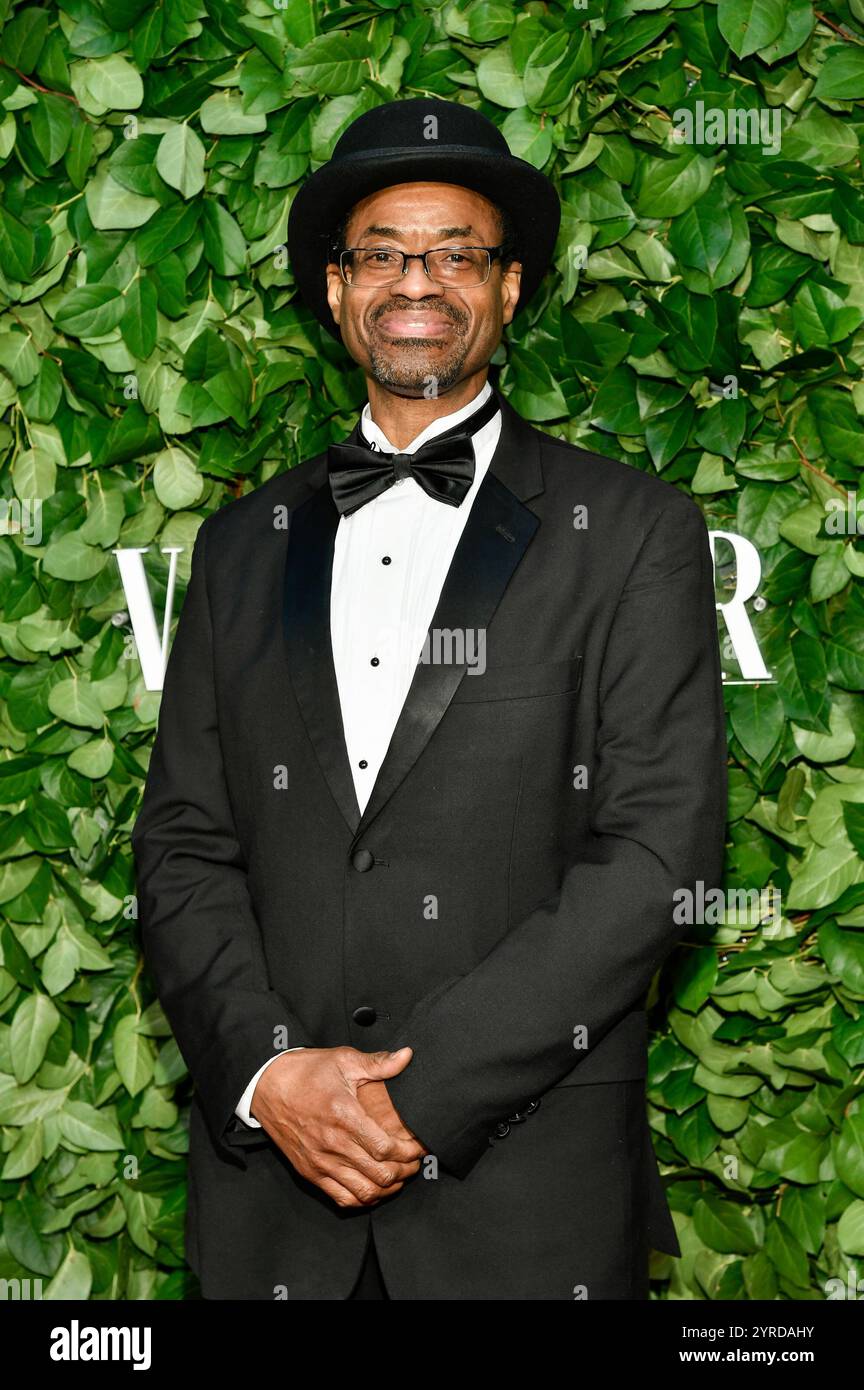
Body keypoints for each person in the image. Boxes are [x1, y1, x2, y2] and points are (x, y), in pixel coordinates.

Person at [131, 97, 728, 1301]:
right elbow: (184, 844)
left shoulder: (629, 533)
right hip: (271, 1215)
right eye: (385, 253)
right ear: (339, 292)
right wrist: (272, 1077)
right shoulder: (244, 544)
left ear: (509, 291)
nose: (422, 280)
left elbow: (661, 851)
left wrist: (411, 1094)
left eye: (459, 251)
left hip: (526, 1207)